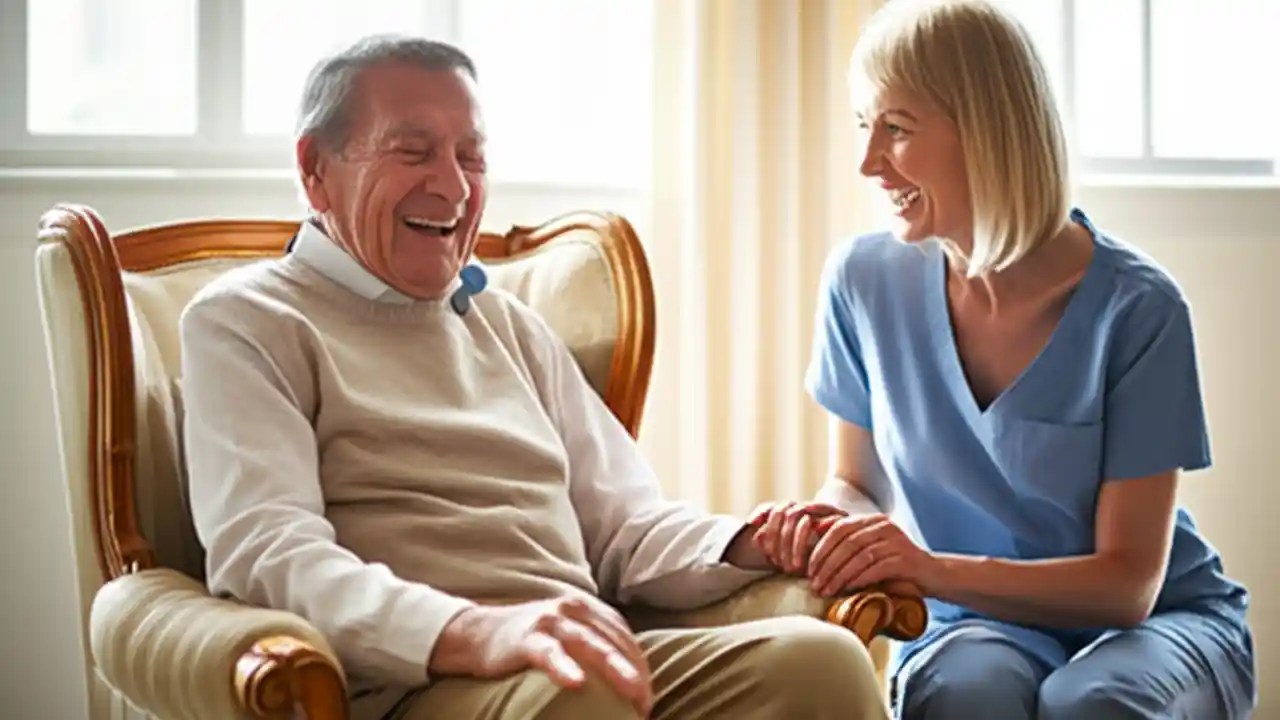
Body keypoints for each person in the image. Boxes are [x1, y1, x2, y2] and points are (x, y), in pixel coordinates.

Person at [179, 34, 888, 720]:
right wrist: (476, 632)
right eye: (414, 151)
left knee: (820, 661)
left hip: (577, 664)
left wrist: (750, 541)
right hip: (415, 685)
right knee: (583, 688)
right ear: (314, 171)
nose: (454, 186)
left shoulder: (508, 323)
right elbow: (269, 553)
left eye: (471, 156)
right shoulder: (248, 321)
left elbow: (626, 530)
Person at [749, 1, 1257, 718]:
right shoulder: (862, 282)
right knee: (967, 695)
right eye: (864, 126)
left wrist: (928, 569)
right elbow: (856, 482)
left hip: (1157, 621)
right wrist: (830, 530)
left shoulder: (1139, 310)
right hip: (971, 621)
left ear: (986, 134)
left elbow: (1128, 586)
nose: (868, 162)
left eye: (896, 129)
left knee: (1092, 701)